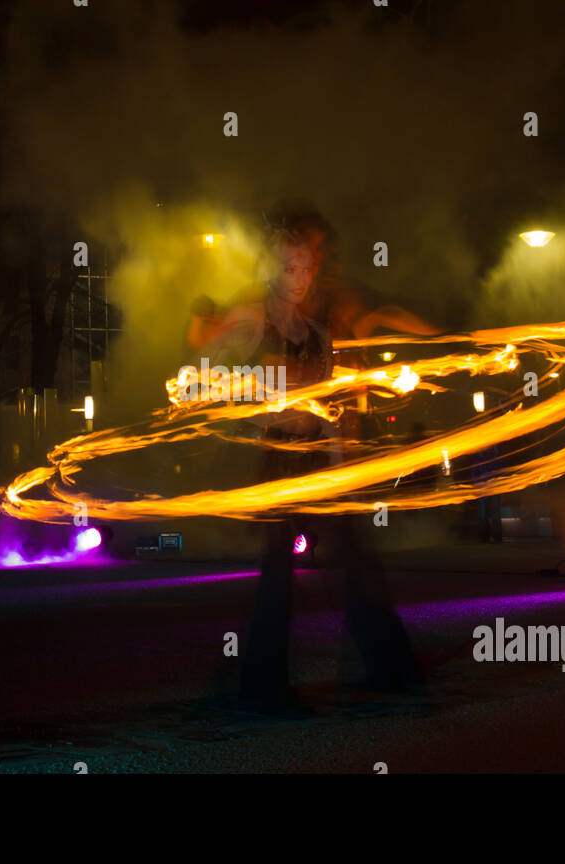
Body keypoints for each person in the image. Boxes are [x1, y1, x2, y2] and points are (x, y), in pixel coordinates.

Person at [190, 201, 428, 713]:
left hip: (325, 459)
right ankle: (261, 687)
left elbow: (379, 323)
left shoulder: (327, 322)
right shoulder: (258, 314)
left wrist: (459, 341)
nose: (298, 277)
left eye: (305, 265)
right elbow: (204, 343)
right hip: (280, 460)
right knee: (276, 575)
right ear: (272, 265)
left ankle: (392, 672)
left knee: (360, 563)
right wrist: (202, 320)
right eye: (287, 266)